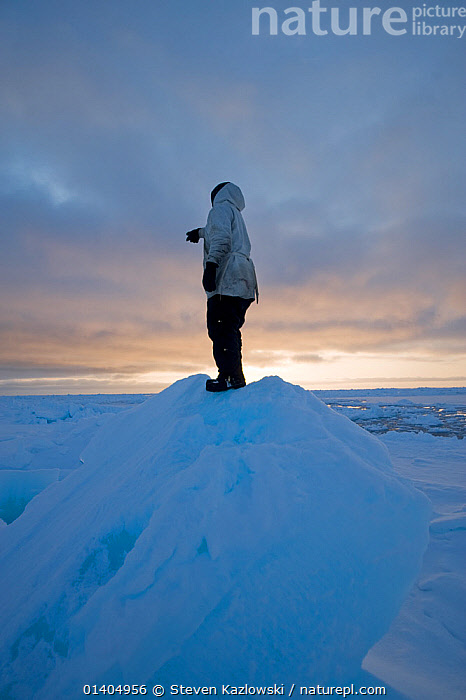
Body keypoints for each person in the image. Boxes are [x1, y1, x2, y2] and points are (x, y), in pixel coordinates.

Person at [186, 182, 258, 392]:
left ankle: (229, 376)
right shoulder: (235, 213)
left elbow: (221, 237)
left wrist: (211, 265)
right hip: (243, 279)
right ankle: (234, 375)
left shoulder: (219, 209)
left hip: (227, 277)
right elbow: (217, 230)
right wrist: (199, 233)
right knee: (230, 328)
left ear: (217, 195)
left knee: (221, 328)